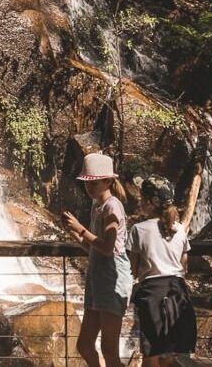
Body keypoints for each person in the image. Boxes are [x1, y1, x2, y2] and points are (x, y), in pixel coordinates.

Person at [60, 152, 132, 367]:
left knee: (109, 350)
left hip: (112, 280)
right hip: (97, 280)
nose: (88, 187)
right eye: (86, 183)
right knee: (84, 345)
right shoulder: (96, 206)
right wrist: (73, 232)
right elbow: (95, 247)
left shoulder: (112, 206)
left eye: (94, 183)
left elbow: (108, 247)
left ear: (108, 181)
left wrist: (80, 229)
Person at [127, 179, 196, 367]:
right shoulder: (180, 229)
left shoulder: (138, 230)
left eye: (142, 197)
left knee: (151, 354)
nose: (139, 200)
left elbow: (133, 269)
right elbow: (184, 266)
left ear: (150, 202)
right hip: (179, 292)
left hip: (151, 295)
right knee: (178, 353)